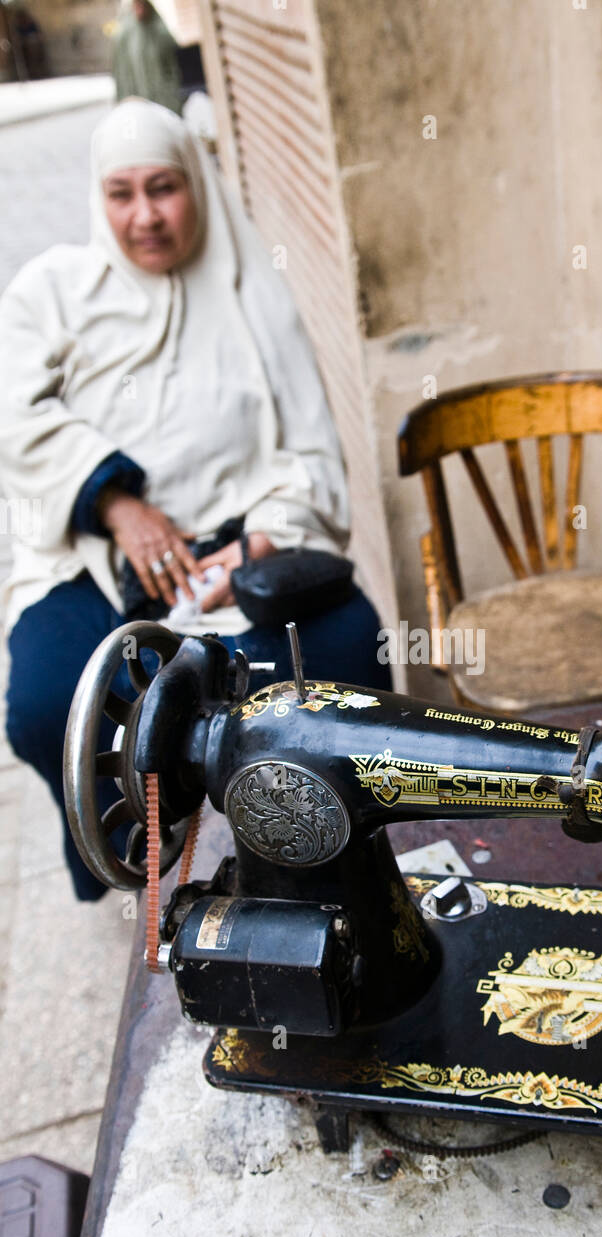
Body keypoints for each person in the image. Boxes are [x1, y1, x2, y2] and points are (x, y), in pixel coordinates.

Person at [0, 98, 389, 901]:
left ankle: (314, 843)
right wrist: (116, 504)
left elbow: (310, 453)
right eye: (122, 193)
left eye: (164, 188)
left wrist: (259, 545)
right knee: (48, 704)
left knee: (350, 652)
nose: (144, 216)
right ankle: (134, 857)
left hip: (235, 549)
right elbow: (14, 411)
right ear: (98, 198)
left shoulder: (251, 295)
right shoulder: (50, 294)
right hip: (99, 554)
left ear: (197, 188)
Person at [112, 0, 182, 115]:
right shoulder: (125, 36)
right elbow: (121, 72)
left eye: (142, 5)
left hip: (163, 99)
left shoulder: (160, 32)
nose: (140, 11)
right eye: (136, 6)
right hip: (137, 100)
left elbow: (173, 67)